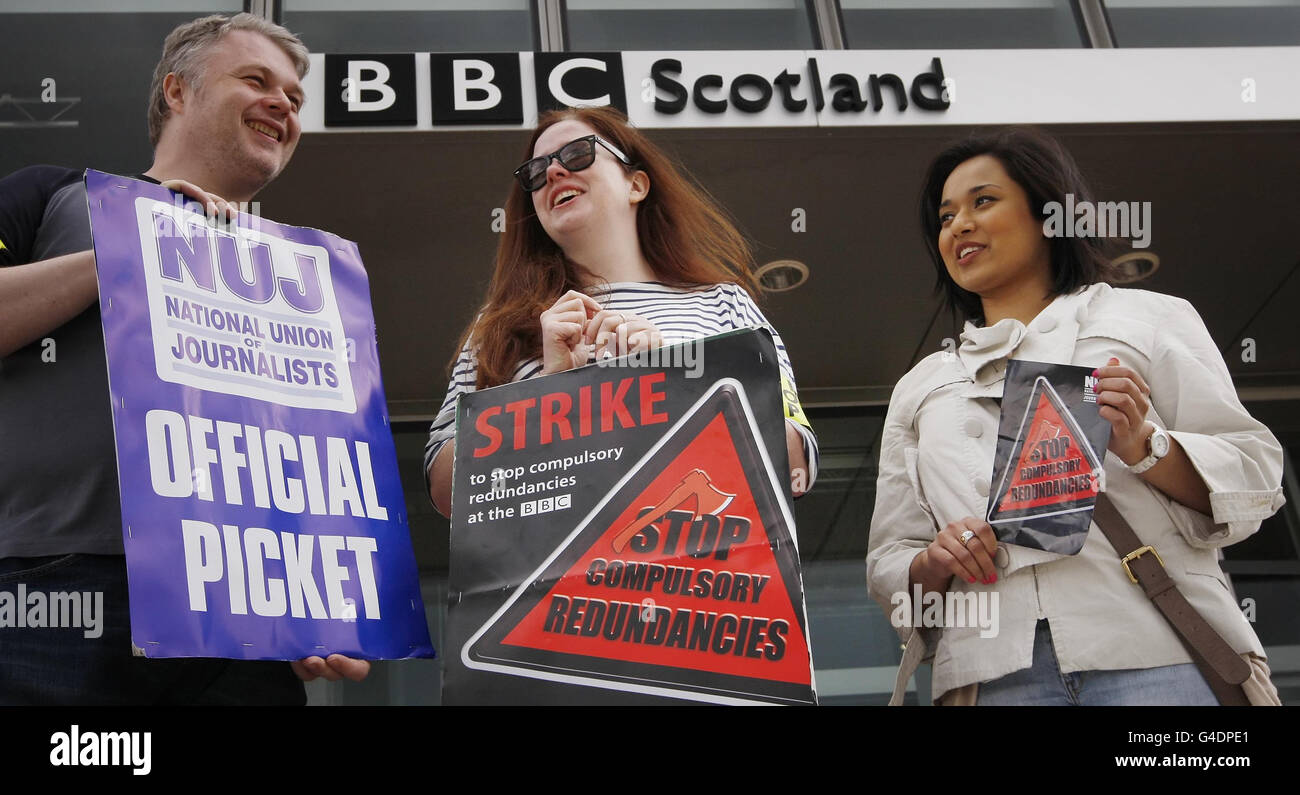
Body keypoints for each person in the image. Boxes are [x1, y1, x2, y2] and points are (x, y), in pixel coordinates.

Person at [0, 13, 367, 704]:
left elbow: (312, 461)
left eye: (294, 96)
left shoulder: (303, 278)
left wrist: (320, 600)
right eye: (256, 79)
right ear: (177, 91)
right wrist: (124, 256)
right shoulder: (51, 194)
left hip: (239, 615)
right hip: (55, 589)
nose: (283, 103)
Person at [866, 127, 1285, 705]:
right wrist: (934, 561)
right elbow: (889, 560)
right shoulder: (922, 386)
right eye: (945, 216)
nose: (959, 225)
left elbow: (1253, 473)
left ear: (1049, 215)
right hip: (990, 675)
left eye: (983, 201)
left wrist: (1144, 445)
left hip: (1154, 654)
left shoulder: (1147, 318)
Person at [425, 106, 817, 514]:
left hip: (701, 571)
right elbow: (444, 490)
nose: (554, 173)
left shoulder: (725, 303)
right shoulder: (498, 325)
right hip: (551, 574)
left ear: (637, 184)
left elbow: (795, 463)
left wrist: (671, 383)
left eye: (577, 154)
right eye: (536, 172)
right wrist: (546, 392)